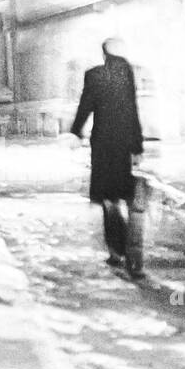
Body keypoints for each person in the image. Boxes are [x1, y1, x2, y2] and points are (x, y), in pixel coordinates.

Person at [71, 38, 144, 273]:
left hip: (103, 144)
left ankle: (115, 250)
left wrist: (76, 131)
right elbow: (133, 109)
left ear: (103, 55)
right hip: (124, 144)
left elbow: (86, 105)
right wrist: (137, 146)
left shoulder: (94, 75)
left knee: (108, 198)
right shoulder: (127, 74)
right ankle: (130, 250)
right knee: (125, 195)